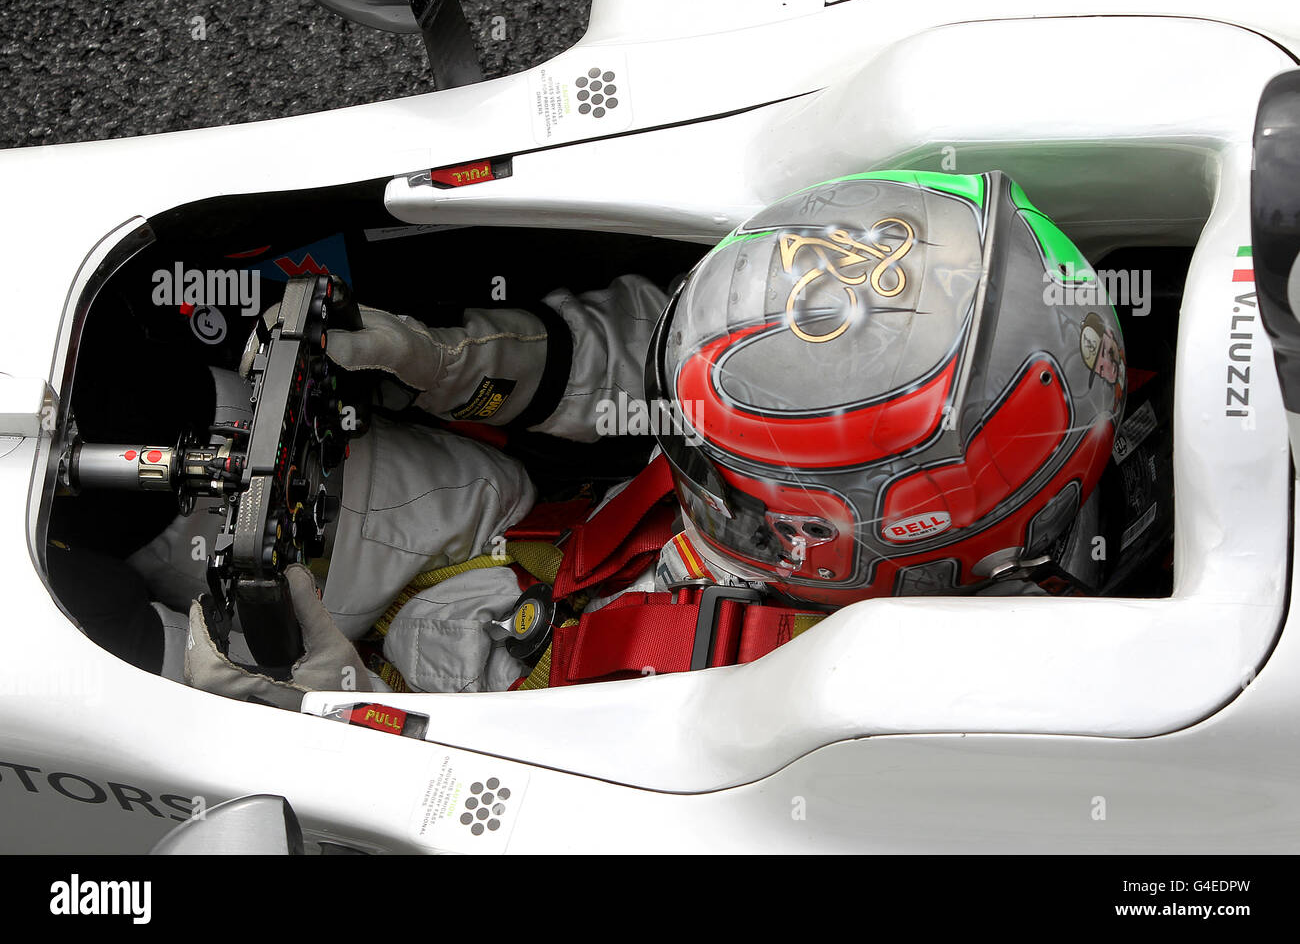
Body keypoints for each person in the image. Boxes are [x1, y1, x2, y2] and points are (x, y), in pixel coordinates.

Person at [176, 170, 1125, 707]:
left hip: (476, 702)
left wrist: (308, 703)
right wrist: (451, 360)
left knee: (158, 676)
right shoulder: (976, 359)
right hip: (508, 546)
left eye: (724, 480)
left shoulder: (794, 713)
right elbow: (657, 355)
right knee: (200, 429)